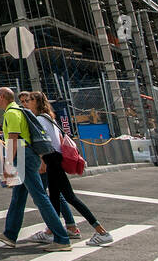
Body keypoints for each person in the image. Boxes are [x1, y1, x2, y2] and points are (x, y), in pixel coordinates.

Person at [0, 87, 71, 251]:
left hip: (22, 154)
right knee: (18, 197)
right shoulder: (17, 111)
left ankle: (62, 238)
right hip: (24, 153)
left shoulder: (12, 113)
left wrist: (7, 164)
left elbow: (13, 139)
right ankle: (10, 234)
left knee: (40, 197)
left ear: (2, 97)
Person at [28, 93, 112, 245]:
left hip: (51, 159)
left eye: (30, 100)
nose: (27, 103)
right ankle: (51, 231)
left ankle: (101, 231)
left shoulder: (40, 119)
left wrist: (42, 160)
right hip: (56, 158)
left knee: (69, 197)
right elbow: (58, 139)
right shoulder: (49, 117)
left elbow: (43, 142)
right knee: (54, 198)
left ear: (37, 102)